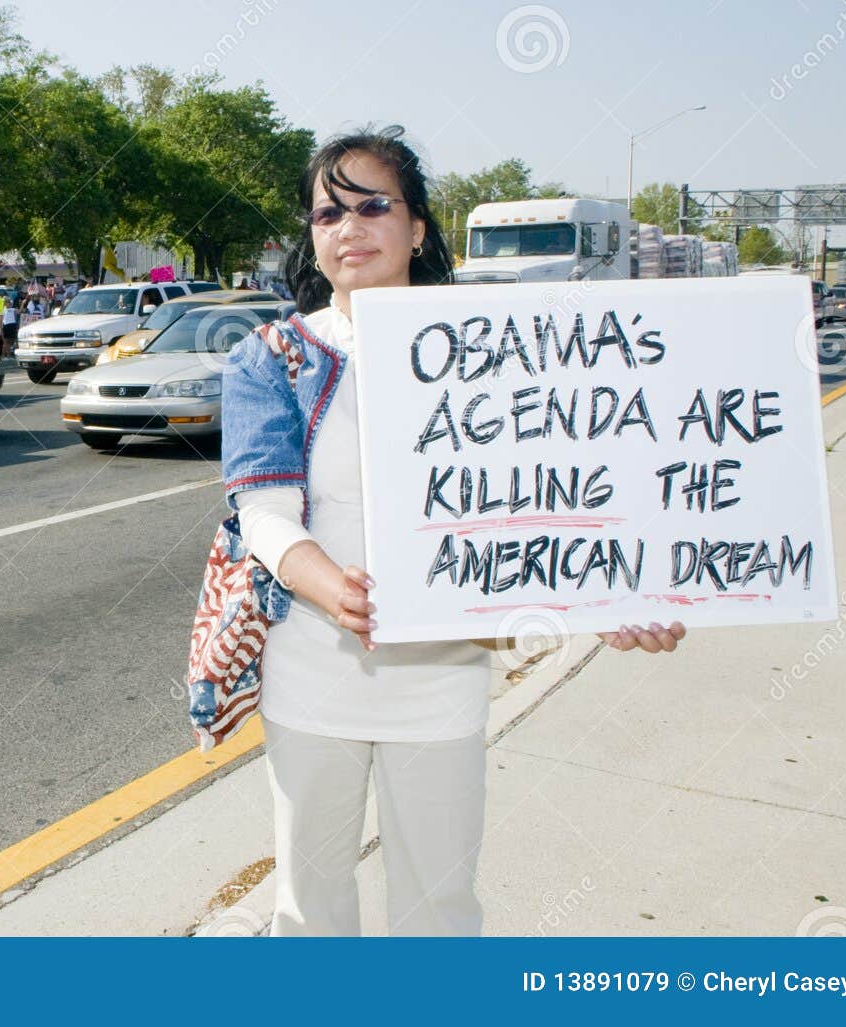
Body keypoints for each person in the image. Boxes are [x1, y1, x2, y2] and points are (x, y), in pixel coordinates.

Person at [219, 126, 687, 938]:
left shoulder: (495, 350)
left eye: (374, 206)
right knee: (309, 910)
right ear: (311, 235)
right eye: (328, 213)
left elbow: (549, 504)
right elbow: (262, 512)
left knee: (439, 913)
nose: (350, 227)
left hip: (442, 683)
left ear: (418, 228)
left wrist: (621, 594)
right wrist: (333, 589)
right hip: (312, 678)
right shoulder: (274, 356)